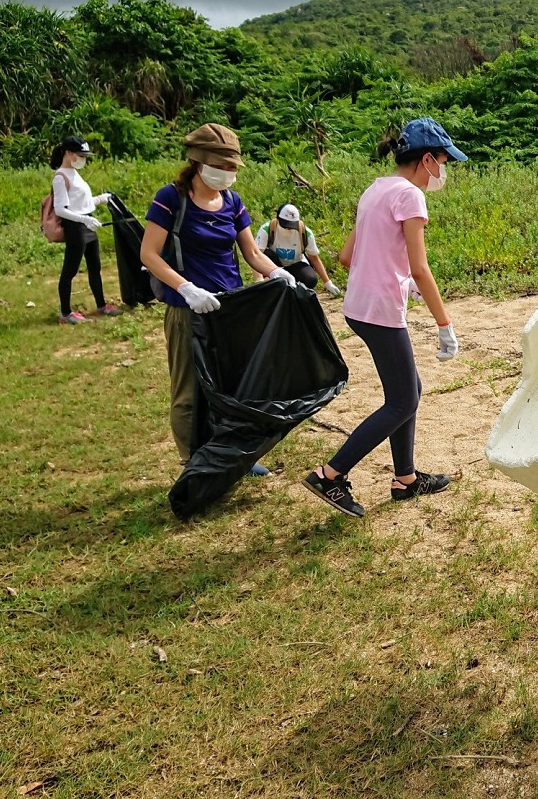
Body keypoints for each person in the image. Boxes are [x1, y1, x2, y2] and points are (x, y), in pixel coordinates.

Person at [301, 117, 463, 518]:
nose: (443, 171)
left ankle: (405, 479)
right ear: (427, 159)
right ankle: (330, 474)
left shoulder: (374, 189)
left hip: (359, 306)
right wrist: (445, 325)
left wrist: (391, 275)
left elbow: (345, 257)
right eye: (443, 161)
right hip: (380, 311)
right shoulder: (410, 196)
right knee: (403, 399)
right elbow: (420, 267)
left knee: (409, 391)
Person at [139, 123, 295, 477]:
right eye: (221, 166)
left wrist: (278, 273)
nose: (227, 174)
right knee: (189, 393)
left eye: (232, 168)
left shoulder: (232, 202)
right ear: (198, 162)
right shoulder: (171, 199)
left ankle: (235, 454)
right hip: (188, 310)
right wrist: (186, 288)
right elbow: (149, 254)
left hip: (230, 308)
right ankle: (193, 463)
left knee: (233, 388)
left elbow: (252, 253)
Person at [50, 135, 121, 324]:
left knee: (95, 267)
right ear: (68, 153)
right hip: (76, 228)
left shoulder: (74, 173)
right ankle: (65, 313)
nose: (83, 159)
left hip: (88, 225)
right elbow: (60, 209)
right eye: (80, 155)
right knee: (70, 271)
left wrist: (101, 198)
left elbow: (82, 202)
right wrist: (83, 219)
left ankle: (101, 305)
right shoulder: (60, 176)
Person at [255, 203, 341, 296]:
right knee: (266, 257)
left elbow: (314, 259)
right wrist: (259, 279)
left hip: (295, 264)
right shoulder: (267, 229)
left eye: (291, 226)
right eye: (285, 225)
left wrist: (328, 283)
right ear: (278, 220)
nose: (288, 228)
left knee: (310, 279)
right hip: (274, 265)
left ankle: (289, 286)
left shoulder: (305, 233)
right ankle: (272, 284)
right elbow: (256, 255)